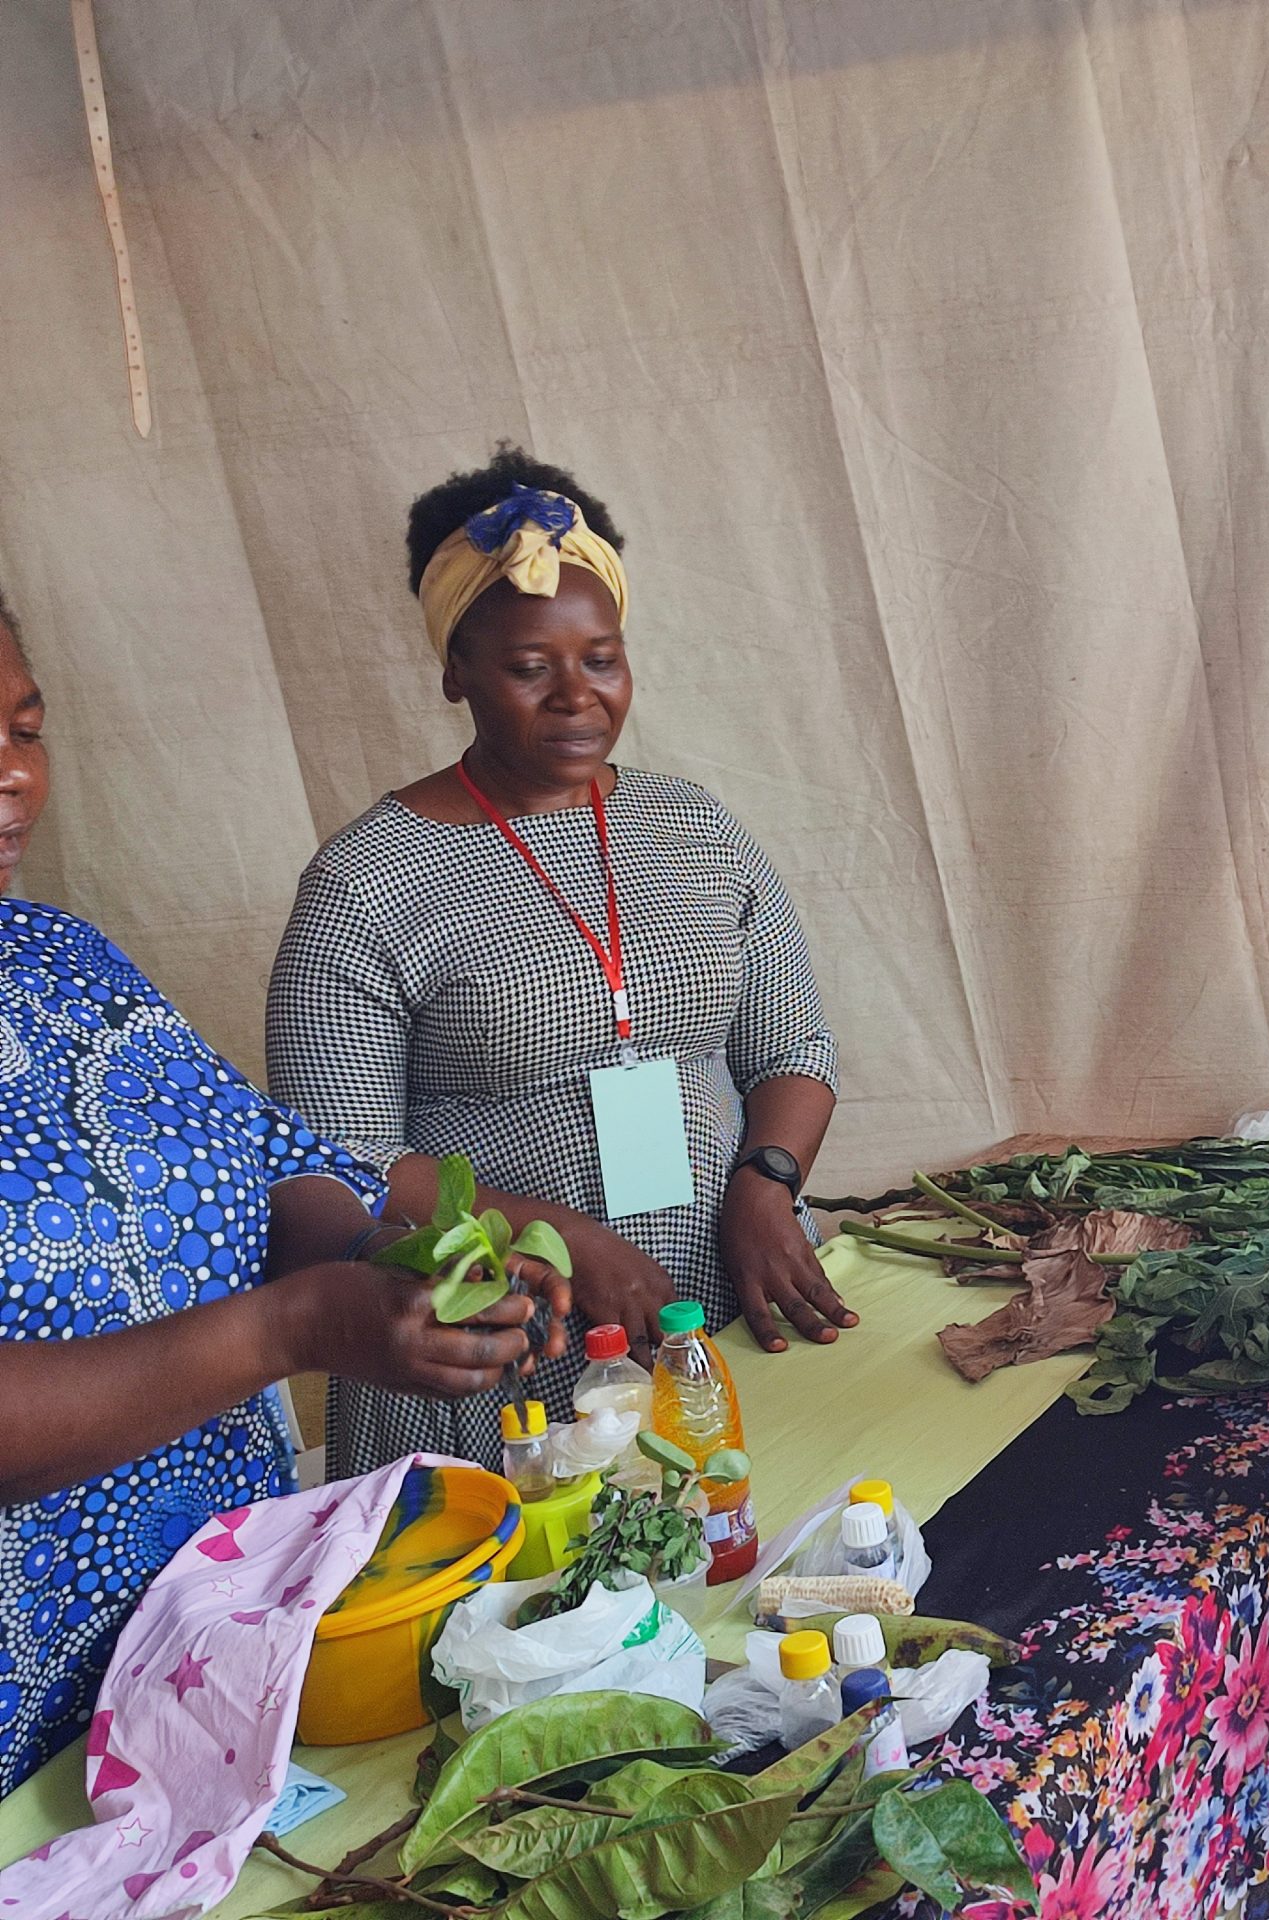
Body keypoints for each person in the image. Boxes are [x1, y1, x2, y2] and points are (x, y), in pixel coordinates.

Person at [0, 585, 565, 1794]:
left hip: (221, 1660)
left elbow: (268, 1161)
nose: (12, 775)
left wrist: (396, 1266)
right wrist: (294, 1327)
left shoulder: (60, 957)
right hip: (28, 1740)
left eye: (25, 730)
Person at [267, 448, 846, 1481]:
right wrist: (563, 1236)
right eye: (531, 667)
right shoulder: (367, 881)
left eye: (602, 659)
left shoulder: (695, 829)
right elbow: (336, 1162)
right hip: (500, 1348)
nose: (578, 697)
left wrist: (768, 1183)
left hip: (714, 1303)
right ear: (456, 671)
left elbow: (792, 1047)